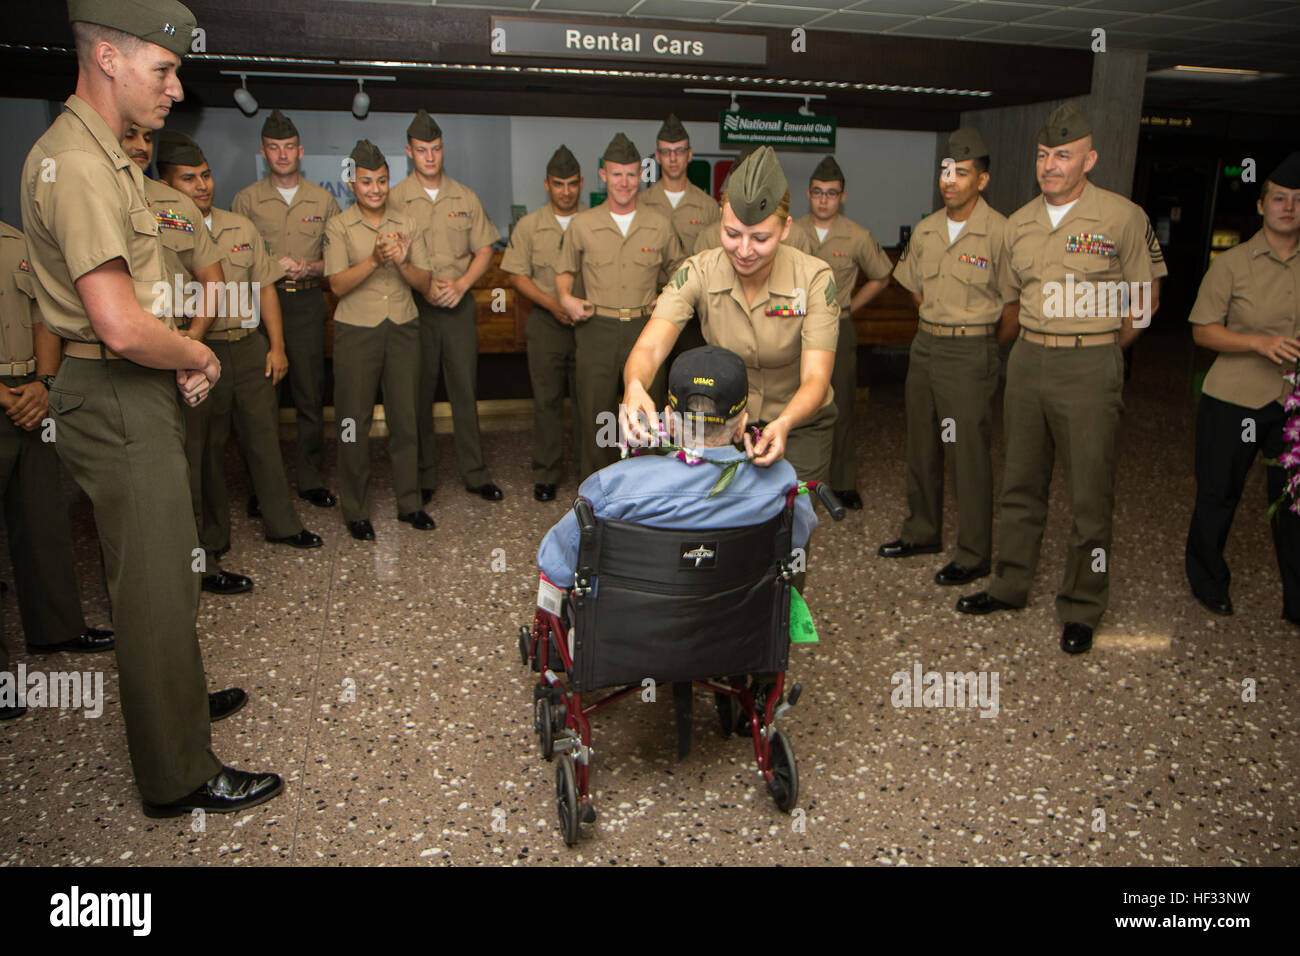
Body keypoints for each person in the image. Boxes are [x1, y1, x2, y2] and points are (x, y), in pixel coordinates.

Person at [20, 0, 281, 815]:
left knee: (169, 570)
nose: (175, 87)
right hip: (115, 387)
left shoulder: (110, 160)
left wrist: (174, 356)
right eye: (164, 69)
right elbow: (119, 323)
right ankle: (178, 774)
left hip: (135, 384)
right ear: (107, 57)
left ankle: (175, 704)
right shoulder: (78, 163)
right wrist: (199, 352)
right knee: (156, 586)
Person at [956, 103, 1154, 655]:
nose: (1050, 165)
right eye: (1043, 155)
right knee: (1020, 482)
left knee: (1091, 496)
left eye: (1062, 155)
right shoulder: (1018, 223)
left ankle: (1083, 605)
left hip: (1090, 362)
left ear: (1088, 159)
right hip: (1028, 360)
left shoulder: (1122, 217)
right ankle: (1010, 584)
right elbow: (1013, 301)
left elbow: (1144, 299)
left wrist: (1101, 351)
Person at [154, 130, 323, 565]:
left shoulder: (239, 226)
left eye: (206, 175)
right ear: (167, 185)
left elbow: (266, 288)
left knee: (264, 438)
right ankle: (210, 541)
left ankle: (282, 523)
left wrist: (277, 347)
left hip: (247, 346)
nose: (202, 185)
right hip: (197, 350)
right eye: (189, 178)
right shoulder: (161, 234)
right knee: (204, 450)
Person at [622, 146, 839, 484]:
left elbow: (816, 378)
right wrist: (635, 385)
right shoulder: (699, 270)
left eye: (761, 238)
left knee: (789, 524)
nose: (744, 250)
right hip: (724, 425)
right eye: (732, 234)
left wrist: (783, 423)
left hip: (799, 423)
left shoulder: (814, 278)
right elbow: (650, 346)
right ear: (720, 218)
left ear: (785, 229)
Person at [538, 346, 815, 588]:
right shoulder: (782, 484)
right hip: (739, 637)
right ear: (742, 424)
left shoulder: (612, 488)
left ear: (668, 420)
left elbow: (555, 564)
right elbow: (794, 544)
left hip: (633, 637)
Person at [124, 121, 259, 595]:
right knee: (140, 477)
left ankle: (203, 559)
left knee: (198, 460)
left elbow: (213, 282)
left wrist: (191, 343)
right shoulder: (95, 196)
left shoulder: (177, 211)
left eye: (145, 139)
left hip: (179, 353)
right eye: (129, 138)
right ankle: (154, 577)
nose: (138, 147)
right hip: (119, 359)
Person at [879, 127, 1017, 586]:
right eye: (946, 171)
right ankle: (922, 531)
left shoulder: (1001, 232)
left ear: (982, 180)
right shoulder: (927, 229)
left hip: (971, 349)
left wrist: (981, 346)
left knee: (967, 454)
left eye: (962, 172)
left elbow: (1013, 306)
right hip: (925, 346)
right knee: (922, 444)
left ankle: (974, 553)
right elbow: (915, 290)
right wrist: (938, 324)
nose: (950, 180)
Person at [1185, 152, 1300, 623]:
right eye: (1279, 199)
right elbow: (1202, 330)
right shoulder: (1231, 264)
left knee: (1293, 504)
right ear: (1261, 205)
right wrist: (1258, 342)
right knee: (1218, 493)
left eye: (1297, 200)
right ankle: (1208, 582)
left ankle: (1297, 600)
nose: (1288, 208)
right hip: (1235, 401)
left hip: (1291, 403)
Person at [0, 219, 114, 675]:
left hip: (29, 390)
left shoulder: (17, 242)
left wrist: (44, 383)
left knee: (41, 516)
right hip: (7, 394)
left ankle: (57, 627)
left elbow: (42, 315)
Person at [387, 110, 502, 504]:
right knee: (417, 394)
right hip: (413, 309)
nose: (430, 157)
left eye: (435, 149)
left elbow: (485, 248)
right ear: (409, 152)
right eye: (422, 150)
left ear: (442, 150)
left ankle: (475, 473)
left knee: (465, 392)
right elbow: (388, 255)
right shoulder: (394, 199)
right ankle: (423, 476)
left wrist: (464, 284)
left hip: (457, 306)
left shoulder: (464, 196)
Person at [324, 140, 435, 541]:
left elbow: (425, 284)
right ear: (352, 183)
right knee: (354, 422)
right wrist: (374, 259)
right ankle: (355, 509)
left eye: (383, 180)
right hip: (357, 330)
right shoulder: (339, 226)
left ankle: (410, 503)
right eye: (367, 181)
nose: (375, 188)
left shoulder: (408, 221)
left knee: (406, 419)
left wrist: (402, 262)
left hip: (403, 327)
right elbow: (336, 285)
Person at [555, 132, 683, 479]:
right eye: (616, 174)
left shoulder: (659, 224)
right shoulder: (583, 224)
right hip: (596, 329)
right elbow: (564, 272)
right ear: (603, 175)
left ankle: (646, 490)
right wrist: (566, 298)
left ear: (641, 175)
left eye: (631, 174)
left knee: (646, 416)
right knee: (597, 417)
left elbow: (680, 272)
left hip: (646, 329)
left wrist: (667, 295)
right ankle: (597, 495)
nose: (624, 182)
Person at [231, 108, 340, 509]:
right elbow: (232, 258)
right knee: (262, 403)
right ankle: (264, 488)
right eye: (274, 148)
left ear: (301, 151)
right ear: (263, 153)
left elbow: (341, 260)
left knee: (310, 395)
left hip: (308, 301)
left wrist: (312, 266)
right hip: (261, 305)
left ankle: (311, 480)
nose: (282, 155)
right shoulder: (246, 200)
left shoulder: (323, 199)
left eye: (289, 147)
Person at [792, 155, 892, 509]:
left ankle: (844, 482)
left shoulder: (856, 236)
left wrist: (851, 305)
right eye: (818, 192)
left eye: (831, 194)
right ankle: (794, 476)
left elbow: (882, 275)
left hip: (838, 326)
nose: (823, 200)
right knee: (796, 402)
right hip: (796, 327)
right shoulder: (790, 230)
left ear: (843, 197)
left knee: (842, 404)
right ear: (808, 193)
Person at [500, 145, 585, 502]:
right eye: (558, 184)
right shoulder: (530, 225)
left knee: (588, 401)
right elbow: (516, 275)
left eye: (571, 184)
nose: (565, 191)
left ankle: (589, 472)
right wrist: (552, 304)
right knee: (546, 401)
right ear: (546, 184)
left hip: (587, 326)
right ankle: (546, 472)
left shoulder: (595, 221)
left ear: (581, 183)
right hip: (545, 323)